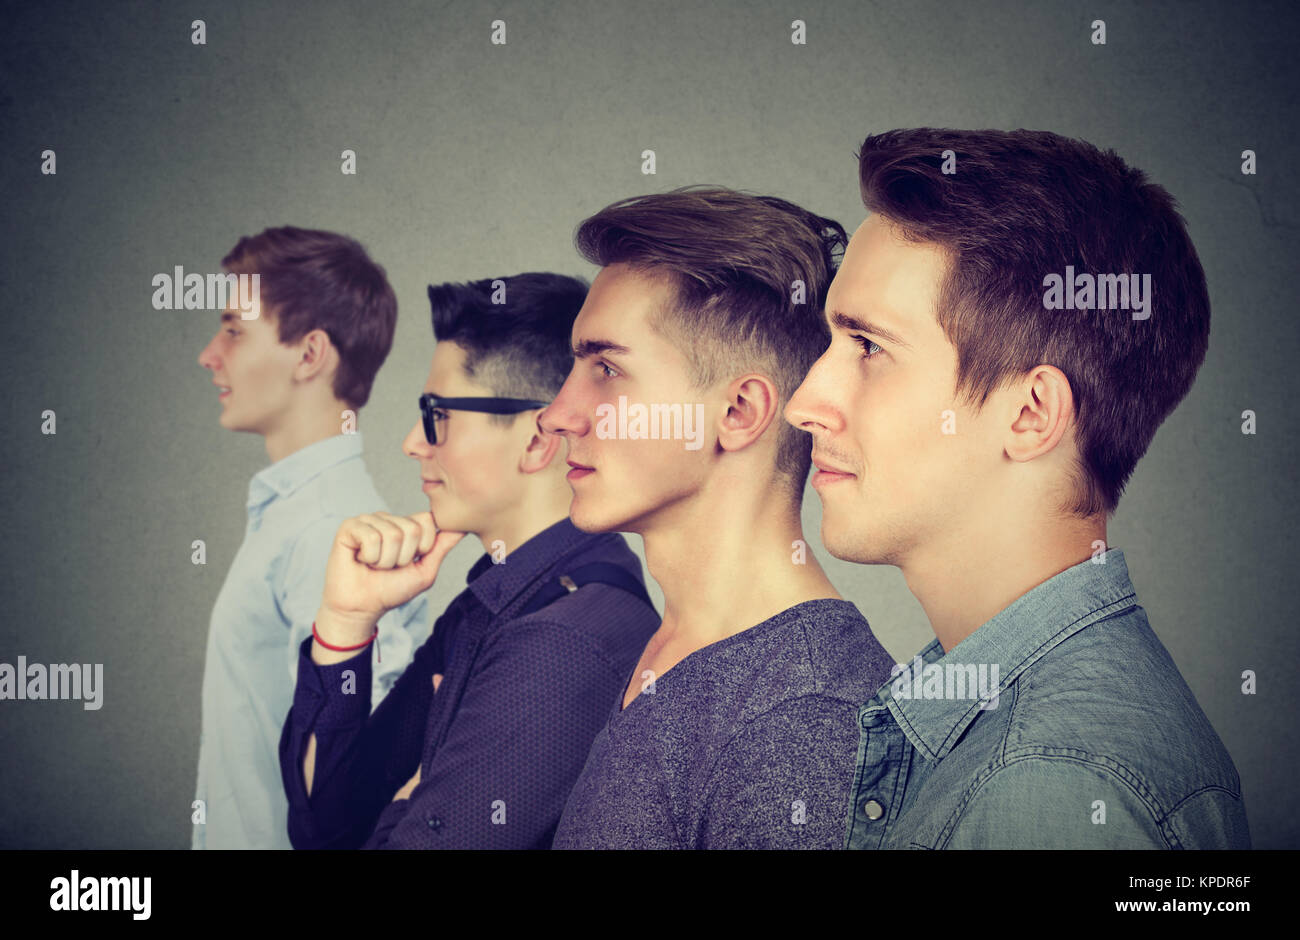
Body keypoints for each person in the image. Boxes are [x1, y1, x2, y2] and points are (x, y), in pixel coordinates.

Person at [785, 128, 1251, 849]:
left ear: (1030, 414)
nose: (806, 402)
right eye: (831, 343)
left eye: (869, 346)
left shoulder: (1052, 785)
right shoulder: (1028, 736)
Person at [542, 186, 896, 849]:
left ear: (738, 412)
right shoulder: (669, 647)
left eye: (607, 369)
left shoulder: (803, 724)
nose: (559, 412)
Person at [279, 273, 660, 849]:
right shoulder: (494, 603)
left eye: (437, 415)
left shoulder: (561, 642)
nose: (411, 442)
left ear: (537, 439)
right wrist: (345, 625)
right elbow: (326, 826)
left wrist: (408, 806)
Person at [193, 226, 427, 849]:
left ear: (308, 354)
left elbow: (358, 782)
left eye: (235, 330)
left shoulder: (329, 530)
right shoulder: (298, 517)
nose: (209, 354)